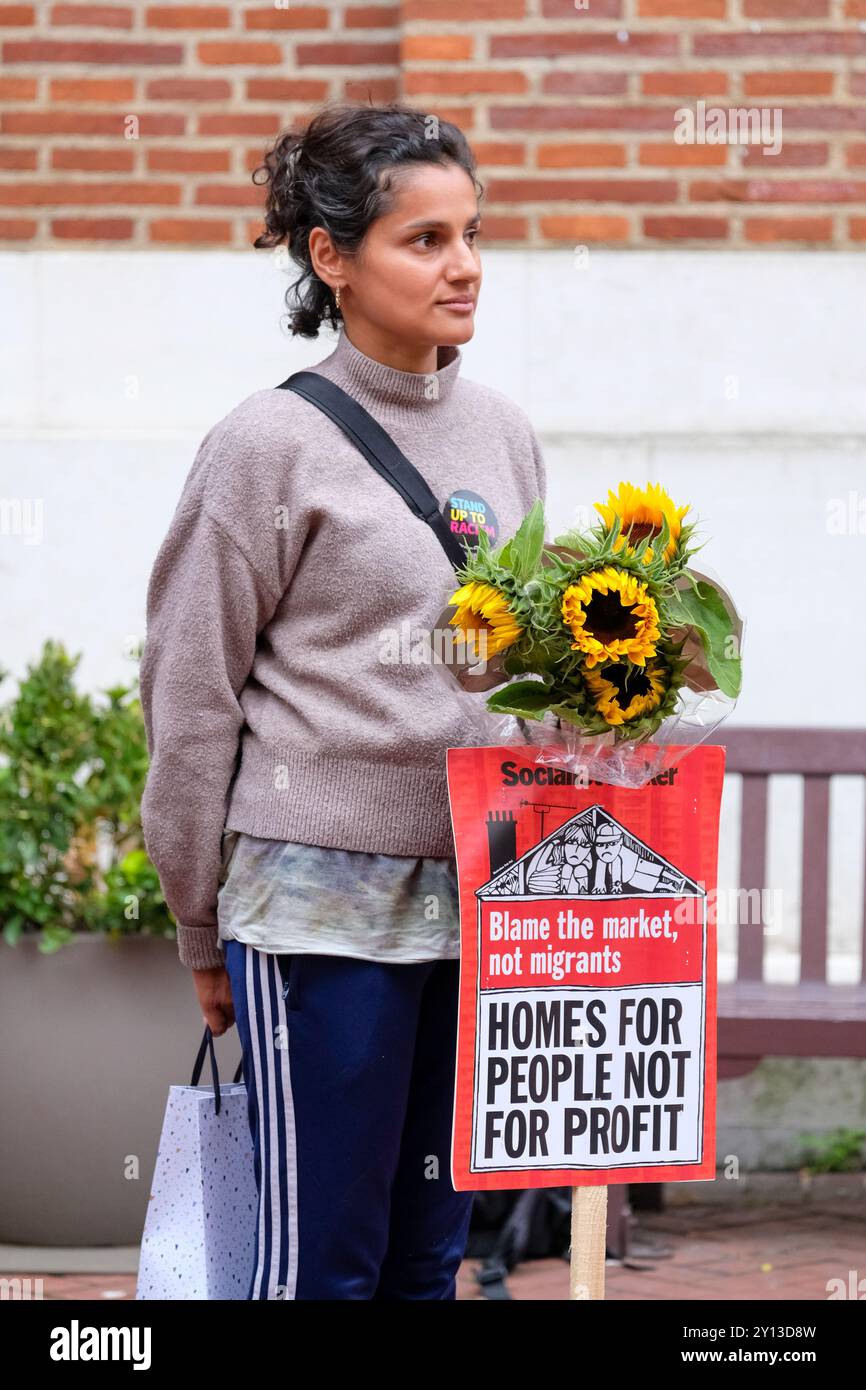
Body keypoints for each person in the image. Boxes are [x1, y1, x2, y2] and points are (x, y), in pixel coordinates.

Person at [139, 100, 547, 1301]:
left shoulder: (503, 435)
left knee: (430, 1260)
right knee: (325, 1264)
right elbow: (190, 691)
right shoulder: (265, 445)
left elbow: (511, 668)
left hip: (476, 900)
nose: (463, 265)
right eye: (424, 240)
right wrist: (197, 920)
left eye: (471, 233)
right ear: (331, 257)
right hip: (318, 914)